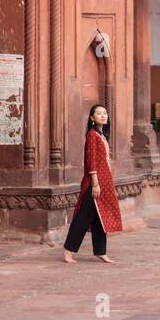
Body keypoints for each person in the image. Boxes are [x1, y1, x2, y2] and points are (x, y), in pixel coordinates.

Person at [63, 104, 122, 263]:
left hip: (104, 182)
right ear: (92, 118)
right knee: (84, 216)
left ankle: (100, 251)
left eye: (104, 113)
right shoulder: (92, 135)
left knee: (99, 217)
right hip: (94, 183)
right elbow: (91, 161)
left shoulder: (102, 135)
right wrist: (95, 184)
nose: (103, 116)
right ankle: (69, 250)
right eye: (98, 113)